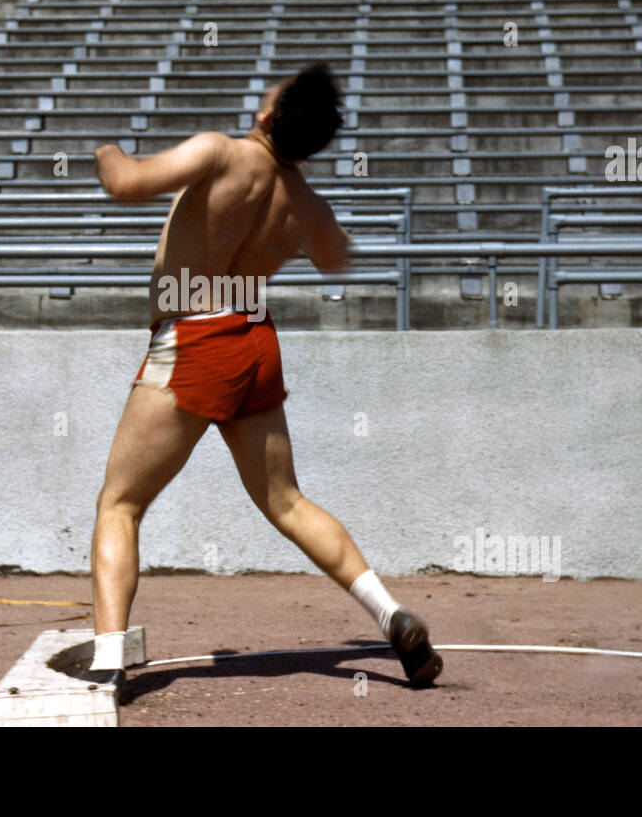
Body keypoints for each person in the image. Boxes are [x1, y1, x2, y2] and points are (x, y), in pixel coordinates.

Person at [82, 62, 442, 691]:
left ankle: (109, 660)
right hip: (255, 338)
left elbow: (126, 184)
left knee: (121, 503)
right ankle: (391, 615)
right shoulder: (304, 202)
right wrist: (295, 215)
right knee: (286, 501)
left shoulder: (220, 153)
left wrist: (103, 149)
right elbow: (336, 256)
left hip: (194, 335)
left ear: (269, 114)